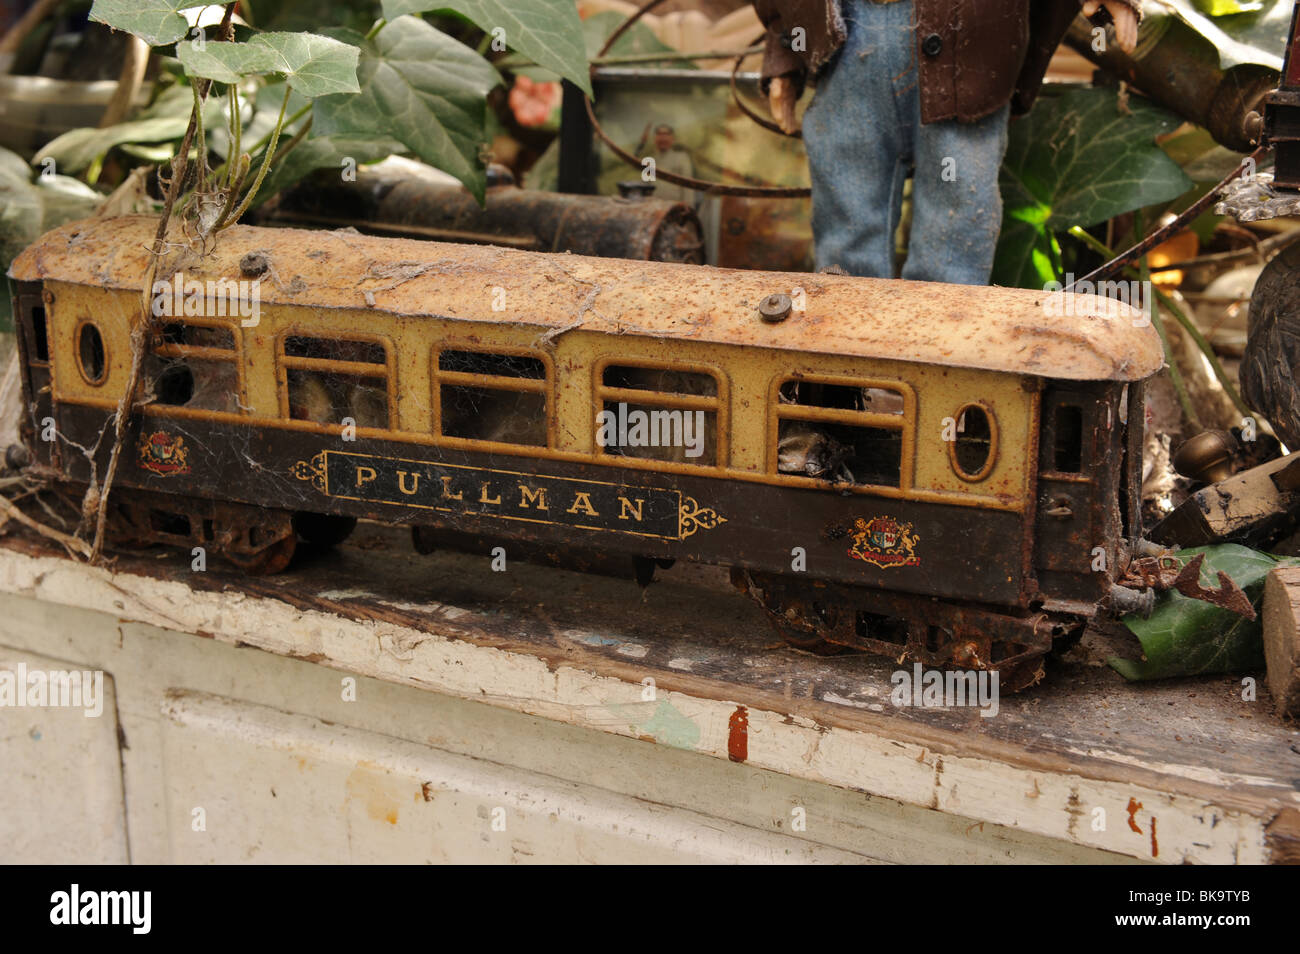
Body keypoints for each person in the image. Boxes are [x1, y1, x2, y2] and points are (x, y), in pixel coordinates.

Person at [753, 0, 1141, 284]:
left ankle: (941, 354)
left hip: (967, 55)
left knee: (956, 221)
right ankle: (842, 360)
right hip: (846, 54)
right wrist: (786, 52)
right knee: (846, 218)